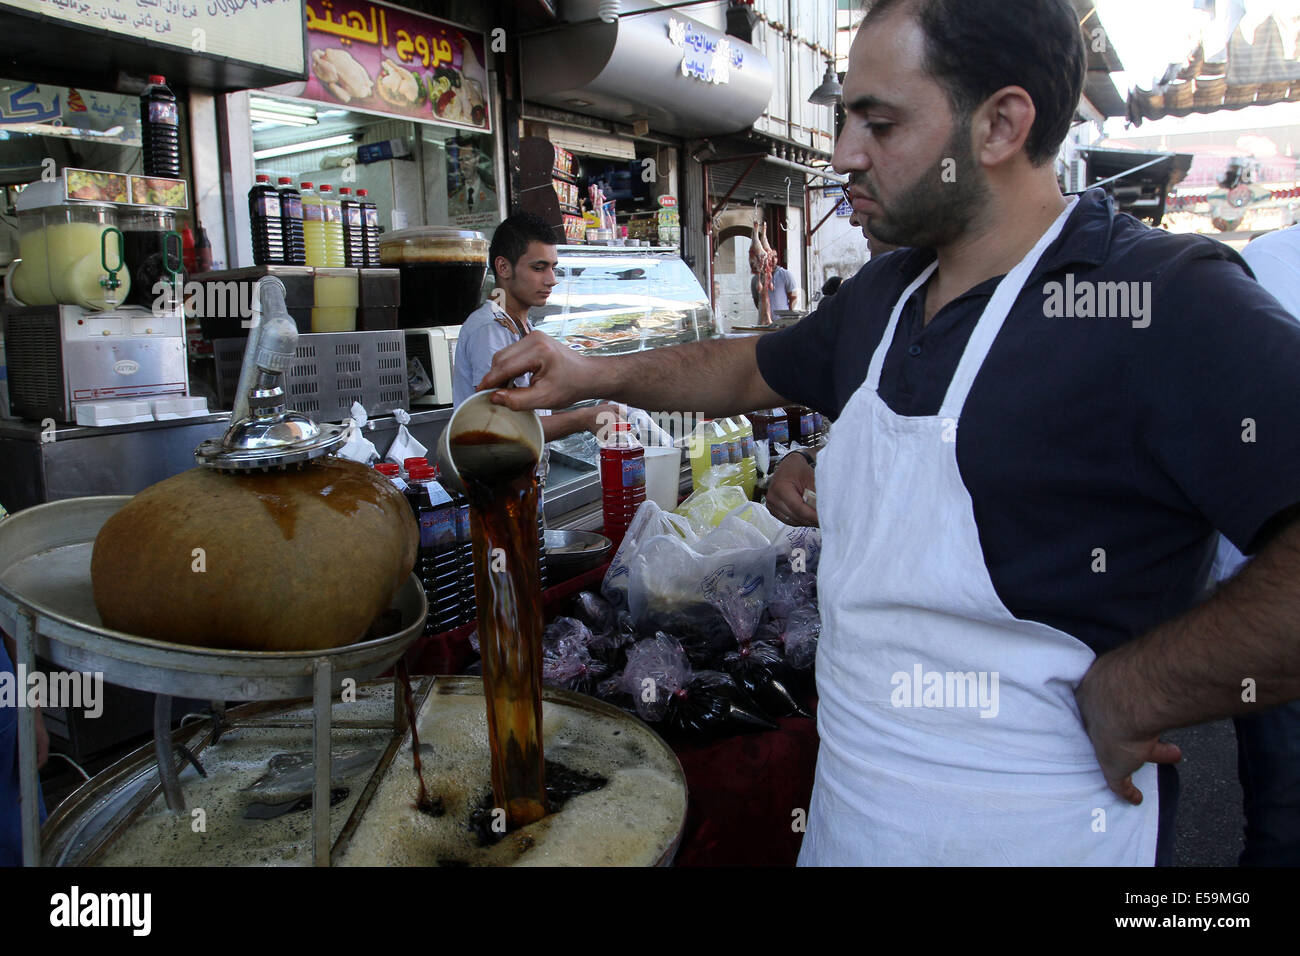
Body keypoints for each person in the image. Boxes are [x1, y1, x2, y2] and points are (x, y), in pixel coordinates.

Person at [475, 0, 1300, 866]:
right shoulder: (889, 294)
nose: (844, 154)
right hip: (852, 818)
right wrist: (595, 373)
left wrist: (1144, 685)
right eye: (844, 119)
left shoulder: (1158, 298)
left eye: (881, 122)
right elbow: (751, 367)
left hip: (1039, 832)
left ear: (1001, 125)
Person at [453, 212, 616, 443]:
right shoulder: (490, 328)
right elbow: (499, 427)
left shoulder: (521, 325)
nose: (551, 279)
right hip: (495, 475)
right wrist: (583, 419)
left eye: (553, 268)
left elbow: (530, 413)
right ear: (503, 267)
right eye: (539, 268)